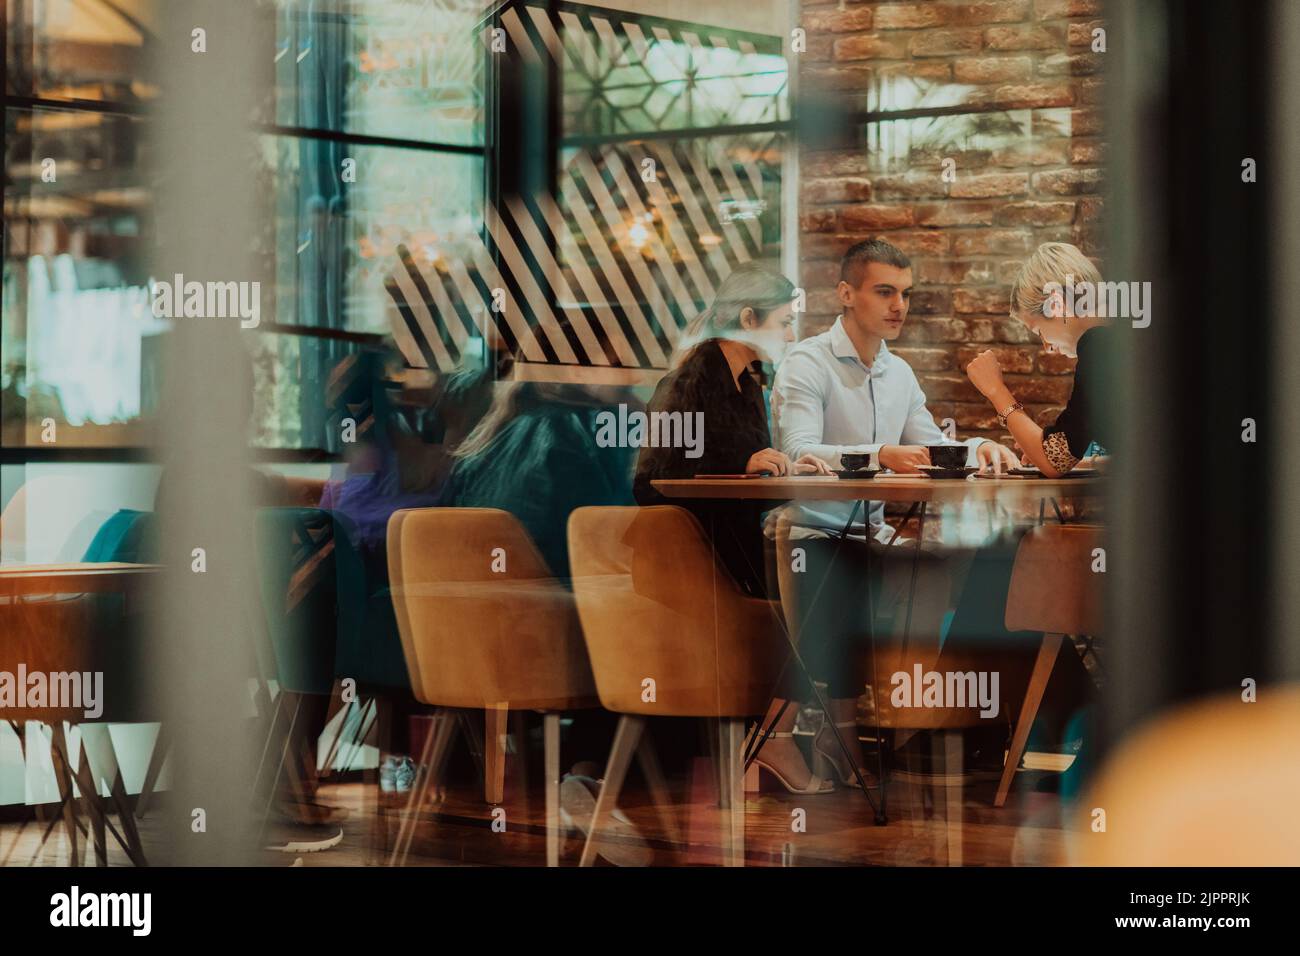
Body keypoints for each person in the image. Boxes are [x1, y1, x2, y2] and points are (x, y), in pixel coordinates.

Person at [770, 238, 1020, 789]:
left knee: (971, 566)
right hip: (814, 532)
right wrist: (880, 455)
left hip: (873, 536)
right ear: (845, 293)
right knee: (851, 567)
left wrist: (979, 446)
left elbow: (931, 443)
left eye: (905, 293)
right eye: (884, 291)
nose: (899, 306)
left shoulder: (898, 373)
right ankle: (843, 733)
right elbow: (797, 452)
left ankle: (926, 727)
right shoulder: (805, 363)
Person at [965, 241, 1112, 475]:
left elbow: (1055, 460)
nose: (1047, 347)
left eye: (1039, 331)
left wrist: (995, 390)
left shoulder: (1100, 346)